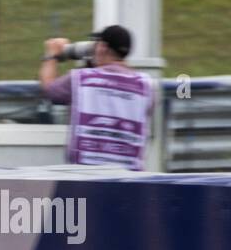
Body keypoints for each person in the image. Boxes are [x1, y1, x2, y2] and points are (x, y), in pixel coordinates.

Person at [39, 24, 154, 170]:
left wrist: (51, 55)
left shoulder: (81, 79)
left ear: (103, 47)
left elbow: (49, 89)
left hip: (86, 177)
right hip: (129, 179)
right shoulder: (146, 86)